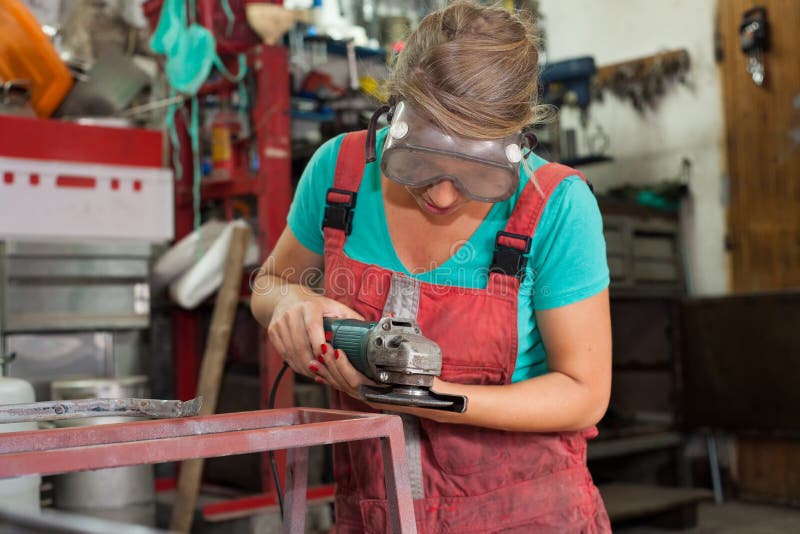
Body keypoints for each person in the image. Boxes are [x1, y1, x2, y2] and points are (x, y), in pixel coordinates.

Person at [251, 1, 612, 531]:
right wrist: (292, 300)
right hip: (377, 515)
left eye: (476, 172)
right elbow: (269, 283)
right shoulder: (339, 174)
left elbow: (583, 394)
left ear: (516, 142)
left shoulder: (556, 205)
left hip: (528, 517)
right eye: (419, 159)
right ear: (395, 112)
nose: (441, 196)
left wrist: (428, 398)